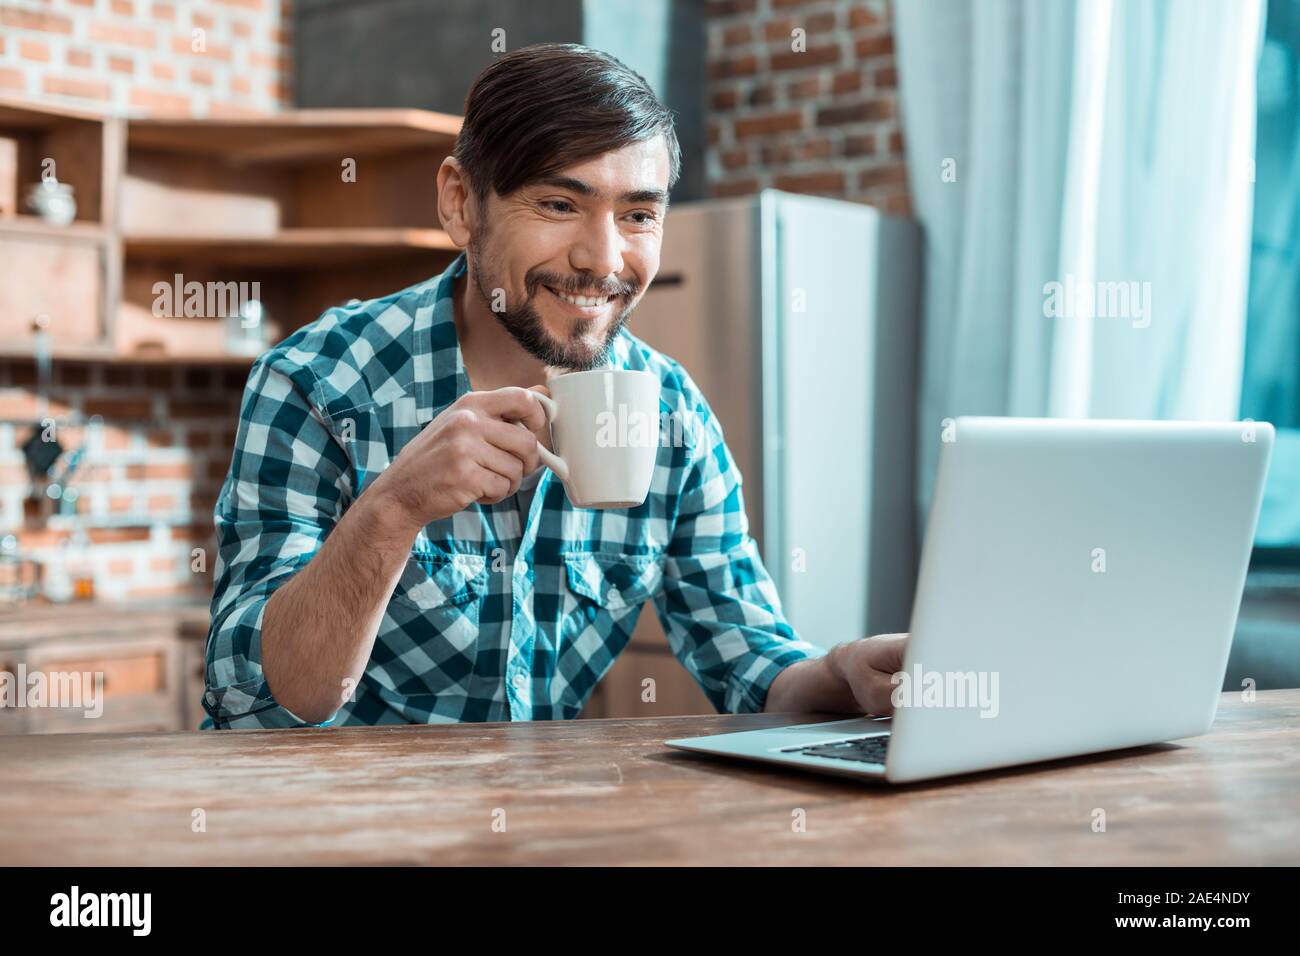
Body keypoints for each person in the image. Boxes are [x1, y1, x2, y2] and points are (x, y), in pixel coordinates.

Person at [203, 43, 909, 729]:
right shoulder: (319, 382)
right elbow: (257, 704)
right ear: (460, 203)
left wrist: (841, 669)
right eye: (558, 204)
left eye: (637, 215)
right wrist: (393, 510)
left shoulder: (669, 412)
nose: (601, 259)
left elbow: (747, 658)